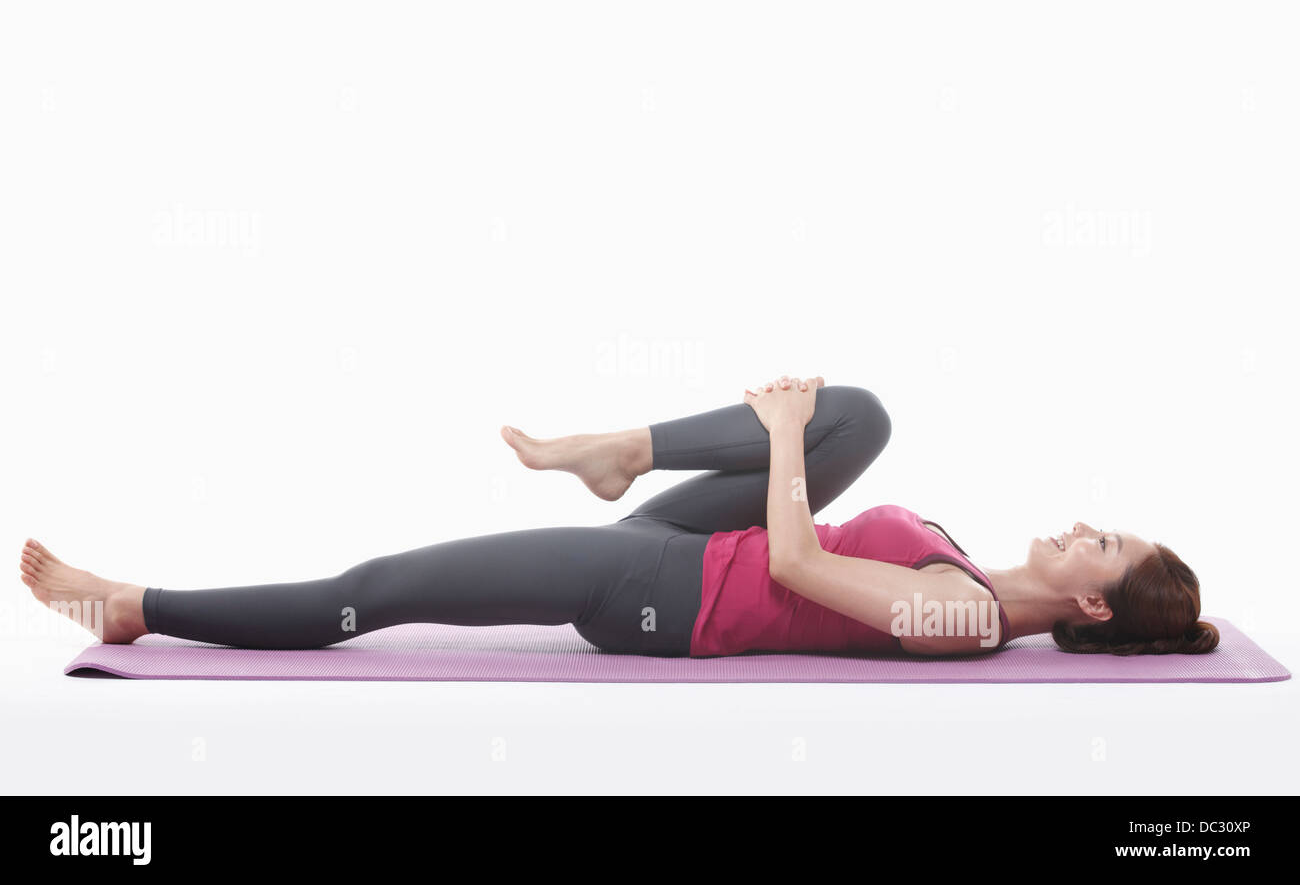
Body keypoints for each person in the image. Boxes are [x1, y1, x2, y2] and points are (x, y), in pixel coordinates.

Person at [19, 376, 1218, 657]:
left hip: (659, 594)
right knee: (865, 414)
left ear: (1093, 600)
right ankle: (619, 455)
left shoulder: (958, 614)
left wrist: (783, 434)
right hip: (696, 546)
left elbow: (799, 560)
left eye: (1098, 541)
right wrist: (810, 428)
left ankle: (129, 604)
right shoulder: (963, 562)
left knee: (381, 584)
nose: (1079, 524)